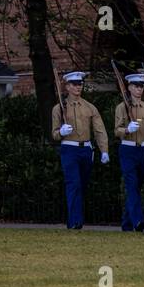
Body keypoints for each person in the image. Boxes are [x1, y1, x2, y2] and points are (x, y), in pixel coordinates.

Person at [52, 71, 109, 230]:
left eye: (80, 84)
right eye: (75, 84)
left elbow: (99, 130)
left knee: (82, 185)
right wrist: (61, 132)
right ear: (68, 86)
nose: (78, 87)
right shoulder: (59, 108)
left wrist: (104, 149)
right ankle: (75, 221)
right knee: (74, 184)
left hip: (86, 150)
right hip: (69, 149)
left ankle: (74, 218)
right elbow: (54, 133)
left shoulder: (90, 107)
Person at [114, 71, 144, 232]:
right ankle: (138, 221)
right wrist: (126, 129)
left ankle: (127, 222)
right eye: (136, 86)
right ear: (129, 88)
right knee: (131, 185)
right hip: (128, 149)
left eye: (141, 86)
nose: (139, 89)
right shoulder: (122, 107)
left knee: (136, 187)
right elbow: (116, 130)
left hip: (143, 150)